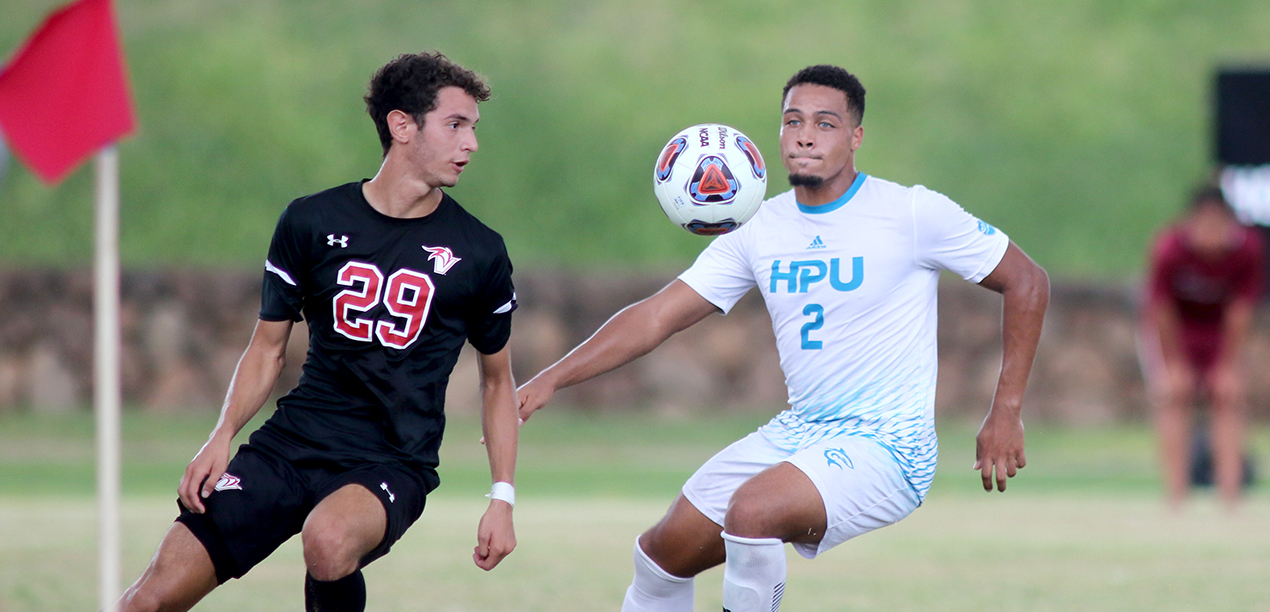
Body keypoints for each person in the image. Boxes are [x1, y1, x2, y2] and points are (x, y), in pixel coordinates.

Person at [516, 65, 1049, 612]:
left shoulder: (911, 212)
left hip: (889, 446)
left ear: (855, 137)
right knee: (659, 556)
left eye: (825, 123)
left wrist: (1005, 410)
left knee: (753, 512)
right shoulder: (758, 227)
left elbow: (1027, 281)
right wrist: (553, 377)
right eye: (793, 121)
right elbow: (655, 317)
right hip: (801, 432)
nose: (805, 134)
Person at [116, 52, 521, 612]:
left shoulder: (480, 251)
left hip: (391, 460)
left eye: (472, 129)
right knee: (146, 601)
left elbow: (498, 381)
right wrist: (221, 435)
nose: (471, 143)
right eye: (456, 125)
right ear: (402, 126)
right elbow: (267, 347)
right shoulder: (311, 222)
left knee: (328, 540)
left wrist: (502, 496)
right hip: (293, 442)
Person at [1140, 185, 1265, 513]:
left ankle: (1230, 495)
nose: (1211, 234)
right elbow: (1161, 311)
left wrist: (1228, 365)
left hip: (1220, 334)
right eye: (1204, 225)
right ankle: (1176, 494)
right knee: (1174, 395)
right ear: (1190, 222)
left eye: (1218, 225)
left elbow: (1241, 313)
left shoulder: (1247, 250)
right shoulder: (1169, 249)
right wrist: (1174, 364)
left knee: (1227, 397)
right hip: (1177, 332)